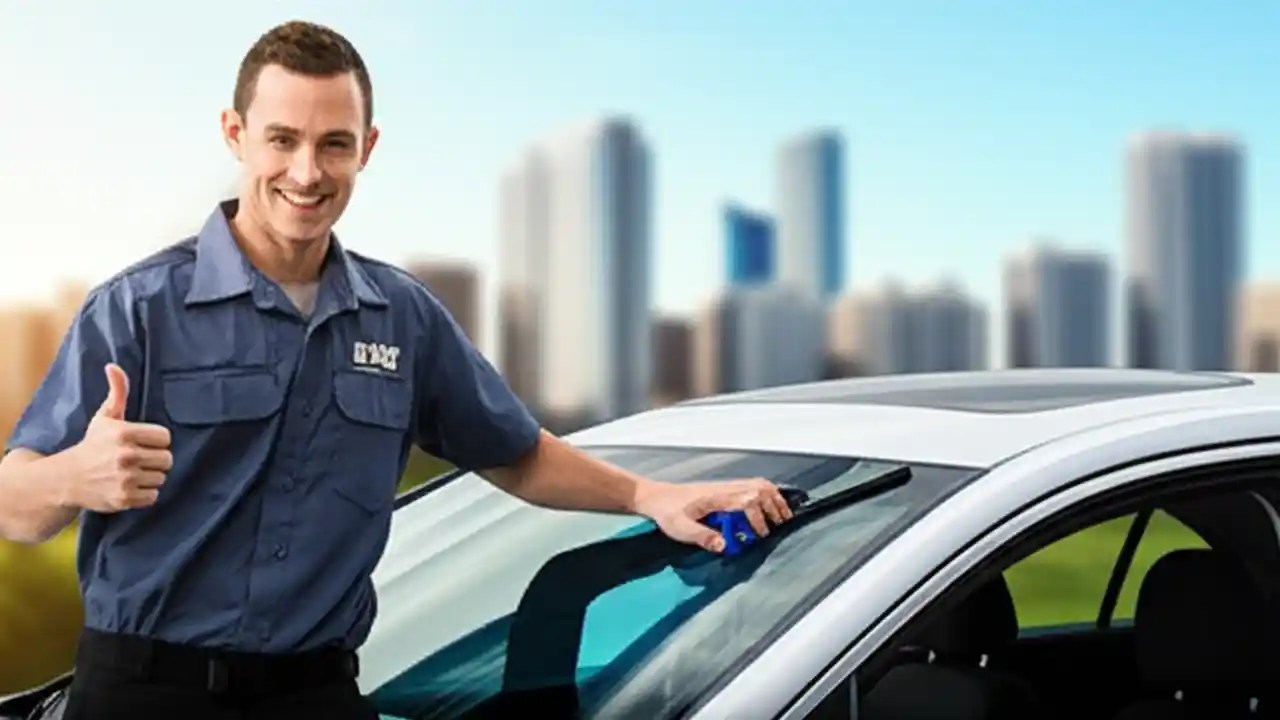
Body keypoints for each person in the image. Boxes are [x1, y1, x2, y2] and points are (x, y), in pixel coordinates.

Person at [0, 18, 792, 720]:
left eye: (333, 143)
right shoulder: (137, 309)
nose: (307, 173)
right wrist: (74, 476)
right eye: (282, 139)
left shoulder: (401, 318)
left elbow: (515, 452)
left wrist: (654, 494)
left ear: (367, 149)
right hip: (144, 695)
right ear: (235, 134)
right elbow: (16, 507)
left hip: (313, 693)